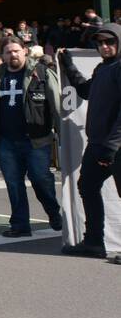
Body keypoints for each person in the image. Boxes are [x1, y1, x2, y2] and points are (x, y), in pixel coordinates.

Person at [0, 35, 63, 238]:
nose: (13, 54)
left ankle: (54, 213)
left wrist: (63, 136)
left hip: (36, 139)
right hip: (6, 141)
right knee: (14, 184)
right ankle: (20, 224)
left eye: (16, 50)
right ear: (2, 55)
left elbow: (57, 105)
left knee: (40, 179)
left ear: (25, 50)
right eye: (8, 52)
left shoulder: (41, 72)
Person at [57, 22, 121, 260]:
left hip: (114, 146)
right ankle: (94, 242)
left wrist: (111, 147)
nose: (104, 47)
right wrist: (68, 65)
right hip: (99, 145)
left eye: (110, 42)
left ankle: (95, 241)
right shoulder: (103, 68)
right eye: (100, 43)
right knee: (87, 187)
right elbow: (85, 91)